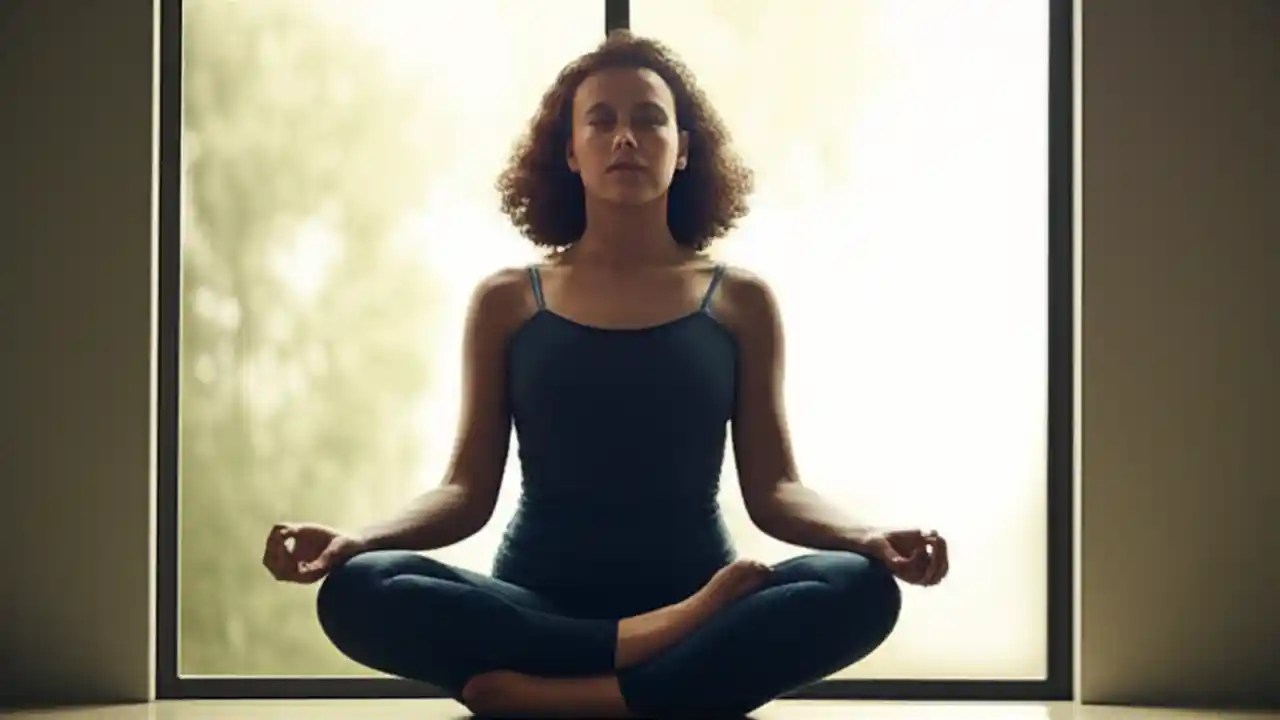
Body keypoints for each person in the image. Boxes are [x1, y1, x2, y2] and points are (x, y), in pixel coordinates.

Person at [261, 30, 949, 719]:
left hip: (701, 596)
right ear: (570, 151)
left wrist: (865, 538)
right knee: (360, 588)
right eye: (601, 121)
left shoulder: (740, 300)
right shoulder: (507, 299)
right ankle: (653, 668)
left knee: (859, 588)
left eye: (649, 119)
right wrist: (362, 540)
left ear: (683, 149)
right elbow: (465, 492)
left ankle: (576, 696)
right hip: (540, 604)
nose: (625, 137)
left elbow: (775, 490)